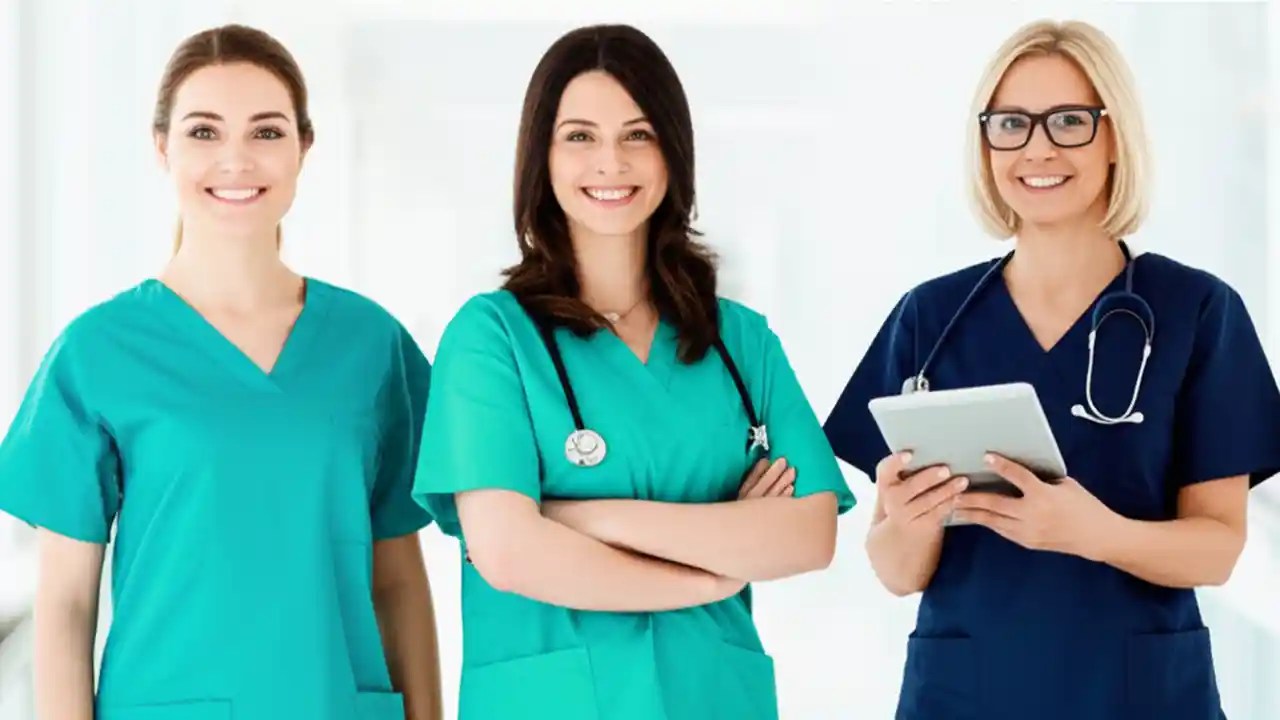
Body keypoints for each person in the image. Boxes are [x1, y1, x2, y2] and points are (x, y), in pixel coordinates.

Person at [823, 18, 1280, 720]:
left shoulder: (1197, 312)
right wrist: (909, 523)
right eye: (1010, 124)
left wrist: (1088, 532)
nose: (1037, 148)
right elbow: (893, 570)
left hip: (1136, 693)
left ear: (1114, 137)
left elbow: (1217, 550)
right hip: (967, 691)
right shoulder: (931, 316)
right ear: (986, 144)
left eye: (1069, 121)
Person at [412, 23, 854, 720]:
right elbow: (510, 554)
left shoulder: (741, 342)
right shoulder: (492, 337)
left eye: (638, 134)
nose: (610, 162)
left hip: (712, 699)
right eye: (580, 136)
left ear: (673, 152)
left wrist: (582, 518)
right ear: (542, 157)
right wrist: (711, 572)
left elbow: (808, 535)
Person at [0, 25, 442, 720]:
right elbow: (66, 604)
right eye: (204, 132)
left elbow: (397, 581)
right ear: (161, 148)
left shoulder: (368, 345)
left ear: (303, 147)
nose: (235, 159)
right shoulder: (99, 353)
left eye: (266, 132)